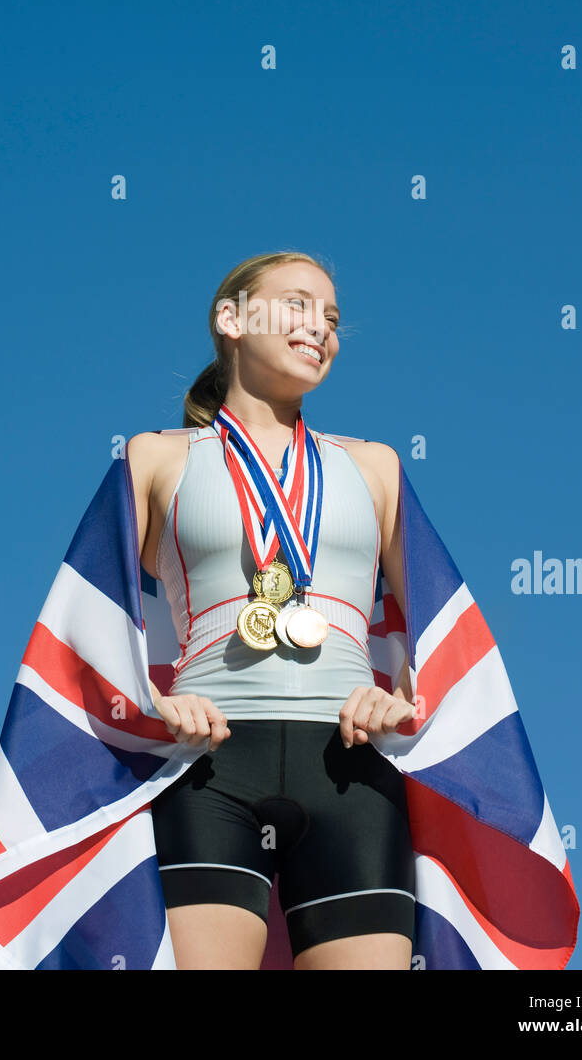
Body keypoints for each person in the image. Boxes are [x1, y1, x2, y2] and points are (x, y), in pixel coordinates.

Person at [126, 249, 419, 971]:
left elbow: (436, 625)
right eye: (295, 304)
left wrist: (402, 698)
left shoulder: (373, 465)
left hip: (351, 768)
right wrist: (151, 700)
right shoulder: (155, 458)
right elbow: (88, 620)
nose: (319, 327)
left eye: (331, 317)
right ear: (229, 320)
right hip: (207, 767)